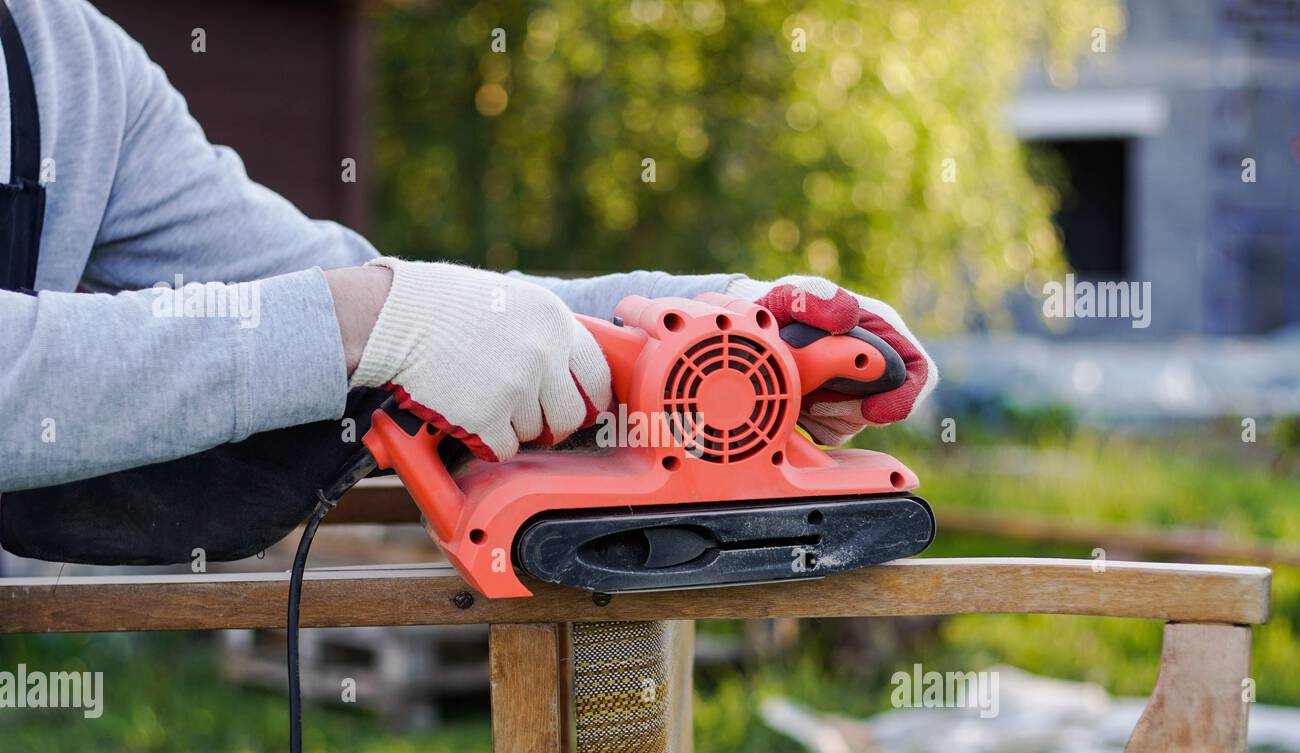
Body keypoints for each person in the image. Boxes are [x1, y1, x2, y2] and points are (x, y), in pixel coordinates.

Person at [0, 0, 936, 502]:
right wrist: (376, 318)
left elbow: (313, 286)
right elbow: (360, 314)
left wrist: (733, 315)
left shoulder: (64, 63)